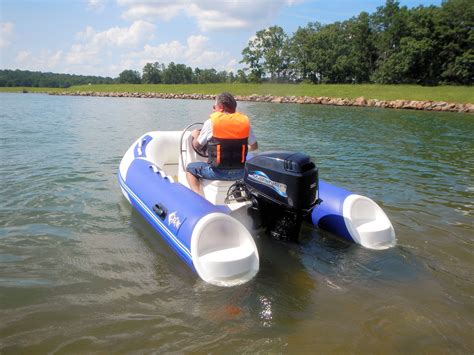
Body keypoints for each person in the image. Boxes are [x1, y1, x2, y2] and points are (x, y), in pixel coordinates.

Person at [186, 92, 258, 194]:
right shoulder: (245, 123)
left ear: (220, 107)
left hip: (217, 172)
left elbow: (197, 146)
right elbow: (254, 146)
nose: (213, 109)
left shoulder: (211, 122)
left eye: (214, 106)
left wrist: (195, 135)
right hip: (240, 173)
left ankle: (198, 197)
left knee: (190, 168)